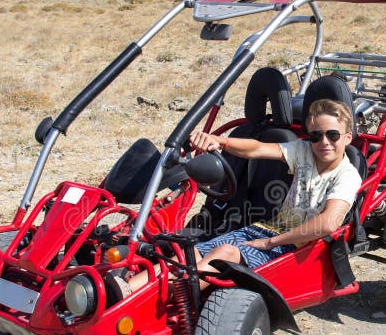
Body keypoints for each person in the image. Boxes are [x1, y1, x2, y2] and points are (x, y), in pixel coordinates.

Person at [116, 98, 362, 297]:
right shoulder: (304, 151)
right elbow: (256, 148)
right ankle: (126, 290)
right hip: (266, 230)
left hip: (297, 246)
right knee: (193, 254)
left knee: (227, 254)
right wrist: (219, 141)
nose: (324, 142)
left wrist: (271, 243)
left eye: (333, 135)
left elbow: (328, 223)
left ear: (348, 137)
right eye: (317, 135)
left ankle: (156, 299)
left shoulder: (347, 176)